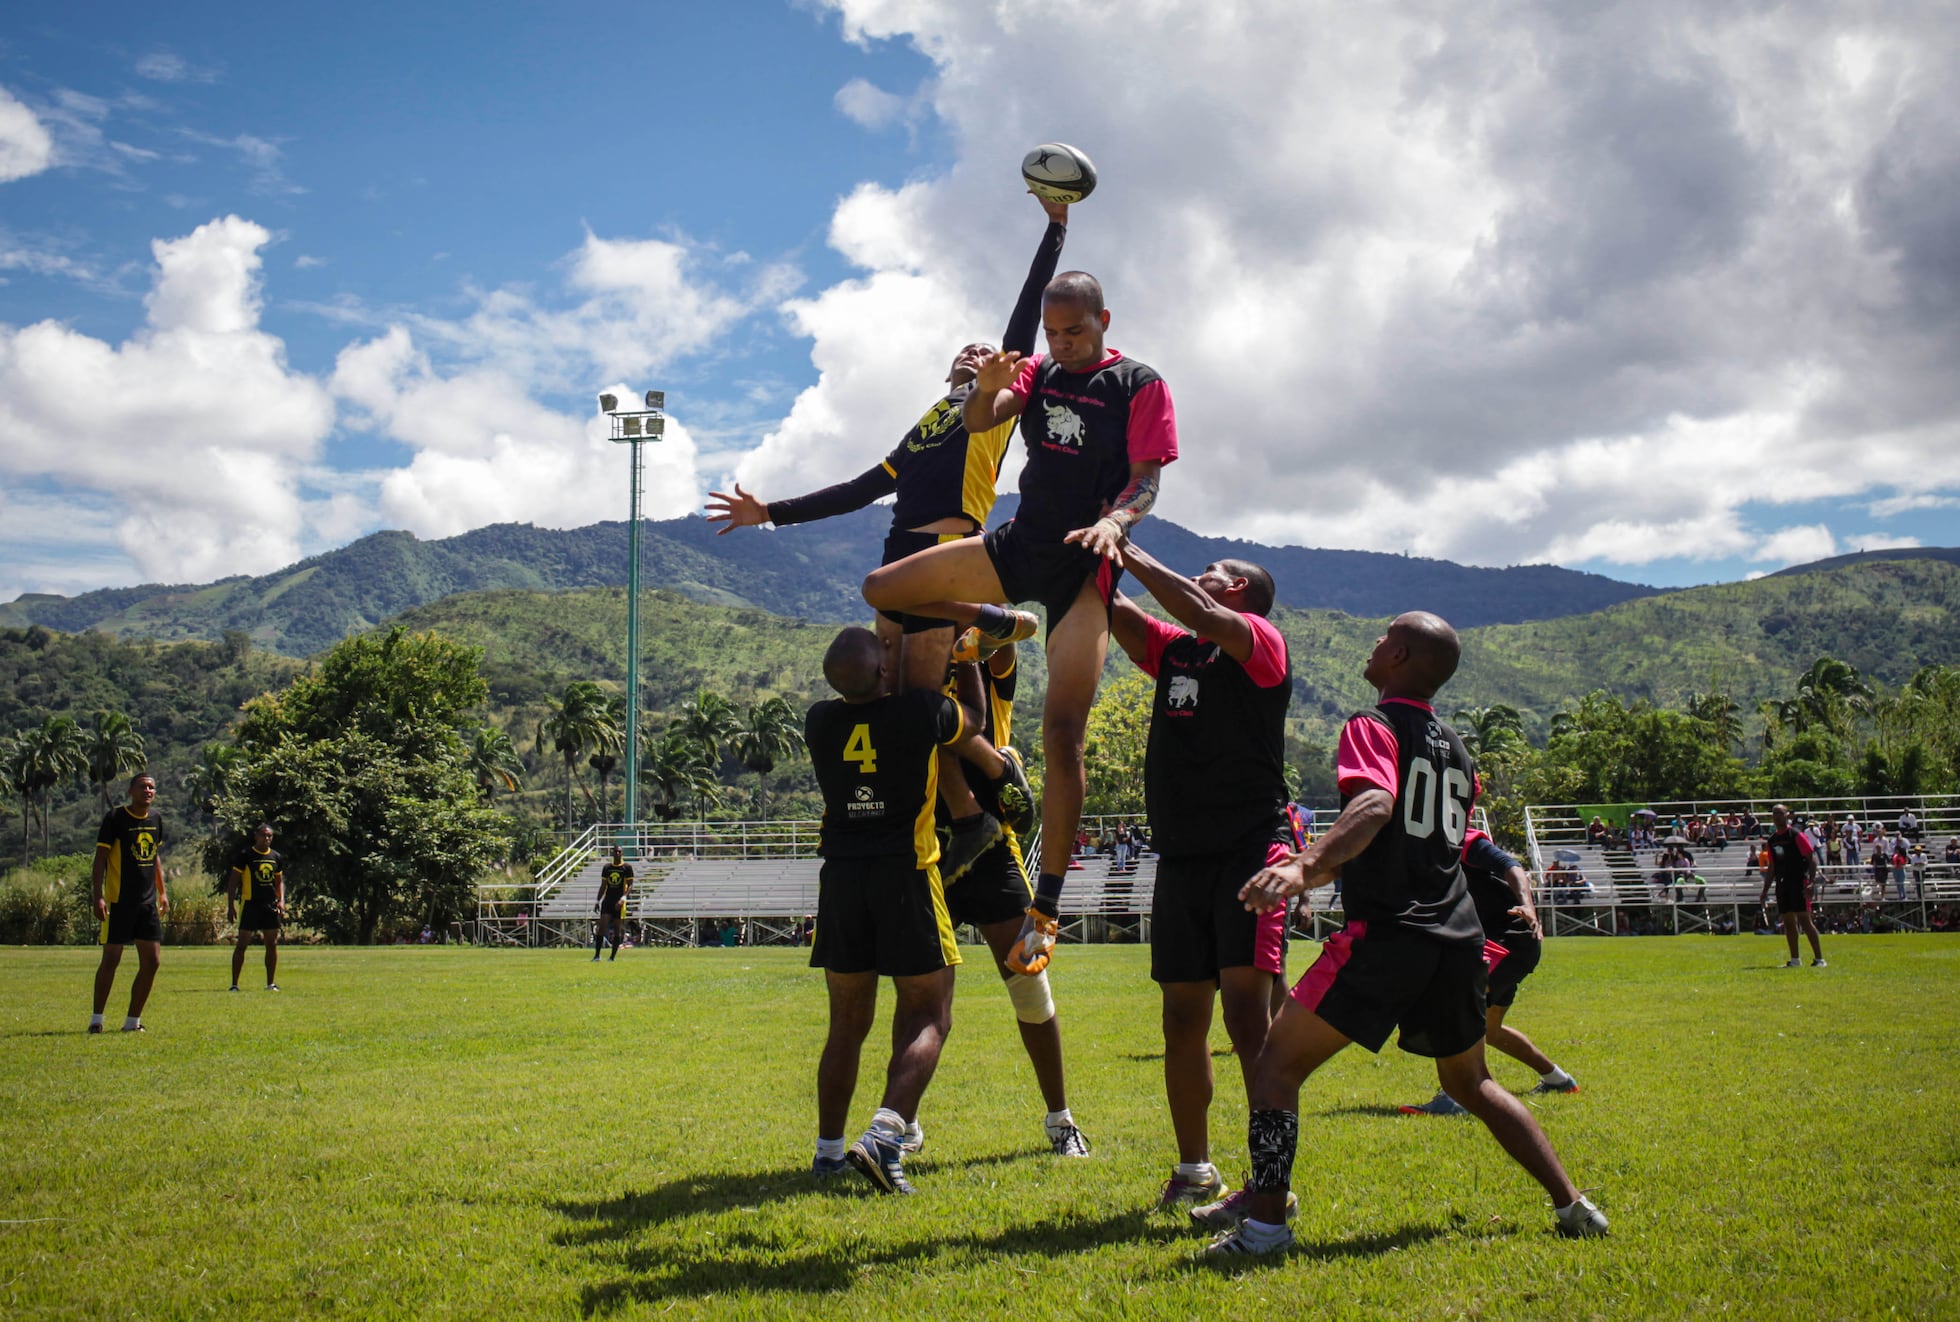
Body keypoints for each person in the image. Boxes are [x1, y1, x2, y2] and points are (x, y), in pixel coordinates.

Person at [1203, 613, 1606, 1254]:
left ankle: (1266, 1228)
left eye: (1382, 637)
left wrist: (1304, 865)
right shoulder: (1461, 749)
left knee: (1276, 1067)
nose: (1372, 644)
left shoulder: (1373, 725)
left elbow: (1375, 806)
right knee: (1471, 1083)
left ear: (1397, 653)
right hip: (1458, 939)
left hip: (1388, 933)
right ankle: (1574, 1204)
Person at [706, 195, 1063, 881]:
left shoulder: (990, 413)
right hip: (897, 558)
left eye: (986, 350)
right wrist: (768, 512)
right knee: (897, 707)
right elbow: (863, 487)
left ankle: (987, 776)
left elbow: (1023, 318)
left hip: (939, 556)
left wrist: (1054, 229)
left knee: (919, 708)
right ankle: (970, 814)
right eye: (965, 350)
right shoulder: (930, 418)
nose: (973, 351)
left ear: (1004, 368)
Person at [861, 267, 1178, 980]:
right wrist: (985, 384)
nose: (1062, 343)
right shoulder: (1036, 370)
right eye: (1053, 332)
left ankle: (1048, 908)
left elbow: (1148, 478)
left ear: (1104, 320)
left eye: (1075, 331)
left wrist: (1114, 521)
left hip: (1084, 565)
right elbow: (981, 421)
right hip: (1020, 545)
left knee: (1063, 733)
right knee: (882, 587)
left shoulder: (1139, 384)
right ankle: (995, 622)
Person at [1105, 547, 1293, 1216]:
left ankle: (1269, 1183)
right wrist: (1086, 555)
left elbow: (1194, 606)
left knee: (1248, 1018)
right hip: (1181, 856)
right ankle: (1194, 1171)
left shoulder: (1260, 641)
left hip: (1250, 852)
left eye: (1215, 568)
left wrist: (1125, 544)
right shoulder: (1180, 651)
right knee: (1182, 1016)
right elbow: (1119, 613)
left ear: (1239, 588)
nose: (1203, 572)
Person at [804, 626, 985, 1194]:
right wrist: (969, 657)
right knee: (931, 1015)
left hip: (842, 880)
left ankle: (827, 1153)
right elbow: (974, 722)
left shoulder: (819, 720)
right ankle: (886, 1134)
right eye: (885, 652)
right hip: (906, 874)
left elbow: (856, 687)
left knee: (847, 1025)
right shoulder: (919, 711)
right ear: (885, 672)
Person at [914, 632, 1091, 1159]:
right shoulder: (911, 670)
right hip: (926, 843)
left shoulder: (983, 661)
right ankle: (906, 1119)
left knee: (1028, 982)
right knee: (920, 1000)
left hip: (992, 846)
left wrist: (972, 629)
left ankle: (1061, 1119)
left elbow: (1012, 636)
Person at [1401, 830, 1578, 1116]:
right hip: (1504, 944)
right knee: (1491, 1029)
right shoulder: (1427, 851)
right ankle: (1558, 1079)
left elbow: (1513, 867)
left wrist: (1527, 905)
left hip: (1507, 942)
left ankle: (1455, 1097)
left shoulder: (1463, 839)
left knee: (1450, 1007)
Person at [89, 773, 168, 1034]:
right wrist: (97, 895)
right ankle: (96, 1019)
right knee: (111, 959)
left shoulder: (156, 819)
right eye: (143, 786)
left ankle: (132, 1022)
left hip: (147, 903)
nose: (148, 790)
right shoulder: (115, 818)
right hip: (119, 901)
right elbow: (101, 857)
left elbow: (155, 857)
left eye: (152, 787)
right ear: (131, 790)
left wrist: (163, 892)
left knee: (152, 962)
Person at [1757, 803, 1825, 968]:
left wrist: (1811, 882)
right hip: (1782, 884)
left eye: (1780, 813)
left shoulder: (1795, 835)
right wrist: (1765, 890)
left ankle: (1819, 959)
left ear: (1787, 816)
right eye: (1774, 814)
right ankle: (1795, 959)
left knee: (1804, 919)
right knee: (1788, 921)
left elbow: (1811, 858)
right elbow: (1772, 867)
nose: (1777, 816)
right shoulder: (1772, 840)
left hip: (1798, 881)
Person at [227, 823, 285, 992]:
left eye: (270, 836)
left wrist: (281, 900)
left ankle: (270, 983)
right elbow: (233, 882)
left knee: (271, 944)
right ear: (256, 836)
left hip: (269, 905)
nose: (266, 839)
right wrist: (230, 906)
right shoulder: (246, 855)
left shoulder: (276, 857)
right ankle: (234, 984)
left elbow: (279, 882)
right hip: (250, 904)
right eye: (263, 835)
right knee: (242, 944)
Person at [593, 846, 633, 962]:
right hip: (608, 901)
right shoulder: (607, 868)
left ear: (622, 853)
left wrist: (623, 898)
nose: (617, 853)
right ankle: (597, 955)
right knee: (602, 927)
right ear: (612, 853)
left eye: (619, 852)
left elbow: (630, 885)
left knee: (617, 929)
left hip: (619, 901)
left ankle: (612, 957)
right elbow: (603, 885)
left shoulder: (627, 868)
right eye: (615, 851)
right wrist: (597, 900)